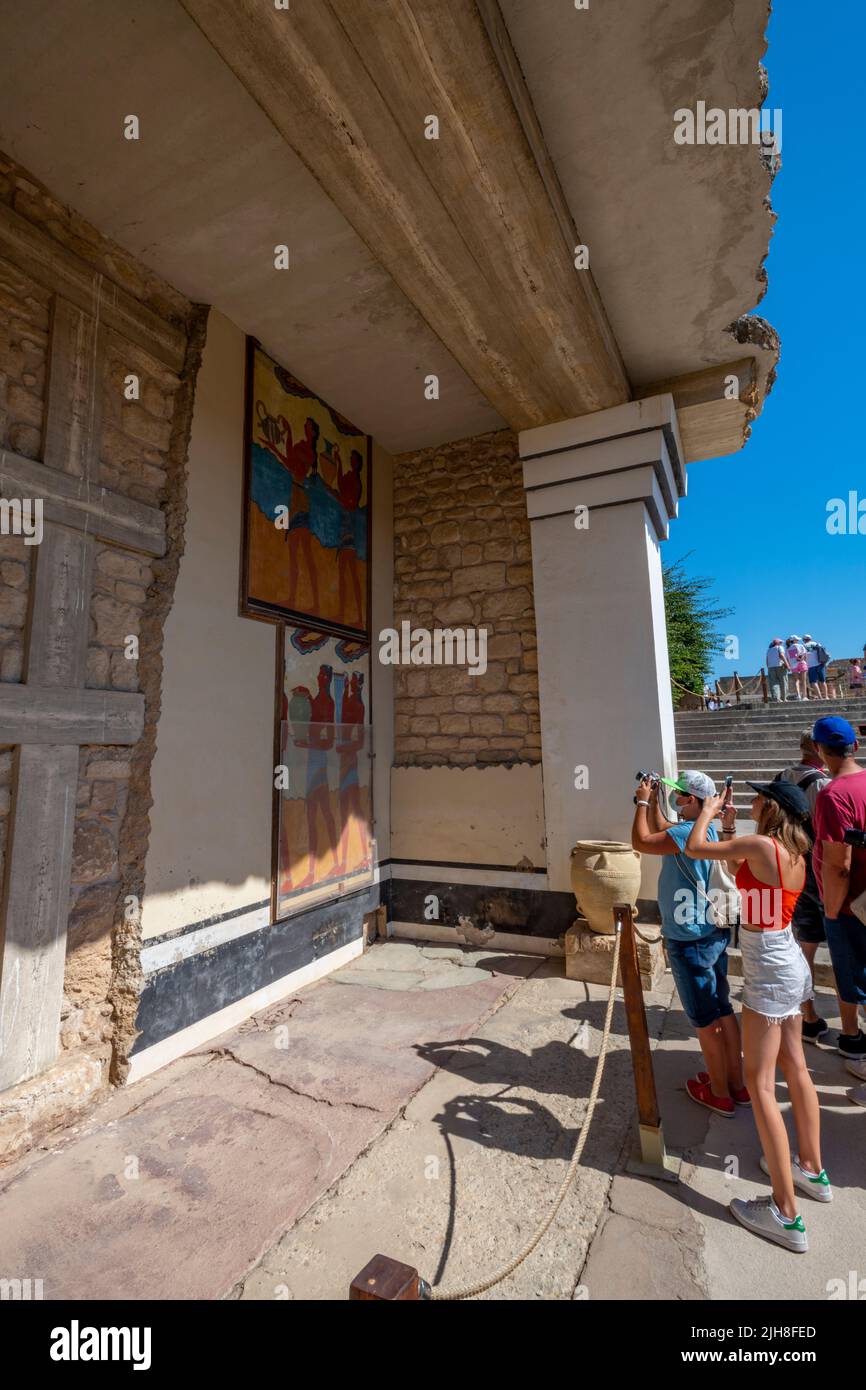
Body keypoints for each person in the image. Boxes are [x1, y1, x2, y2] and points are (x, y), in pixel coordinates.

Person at [685, 780, 829, 1254]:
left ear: (771, 808)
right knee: (797, 1068)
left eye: (757, 798)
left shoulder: (761, 844)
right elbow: (737, 869)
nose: (750, 802)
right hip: (786, 959)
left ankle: (785, 1213)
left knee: (761, 1083)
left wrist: (706, 810)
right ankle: (812, 1169)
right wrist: (729, 826)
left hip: (768, 969)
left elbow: (695, 846)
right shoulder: (790, 852)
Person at [631, 771, 746, 1116]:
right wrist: (654, 801)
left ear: (693, 801)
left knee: (704, 1019)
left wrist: (640, 800)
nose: (676, 800)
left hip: (689, 937)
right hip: (711, 931)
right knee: (723, 1009)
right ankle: (737, 1084)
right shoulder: (705, 828)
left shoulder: (685, 833)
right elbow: (662, 825)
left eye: (680, 796)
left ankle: (719, 1092)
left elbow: (642, 841)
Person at [811, 716, 866, 1072]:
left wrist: (832, 909)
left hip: (850, 905)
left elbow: (838, 864)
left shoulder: (833, 795)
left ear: (819, 751)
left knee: (851, 974)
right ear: (855, 746)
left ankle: (855, 1044)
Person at [776, 733, 833, 1041]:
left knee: (804, 946)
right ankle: (850, 1023)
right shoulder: (823, 785)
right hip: (821, 873)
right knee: (842, 948)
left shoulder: (784, 777)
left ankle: (808, 1014)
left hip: (792, 868)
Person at [803, 634, 830, 701]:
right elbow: (825, 653)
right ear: (810, 639)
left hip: (810, 666)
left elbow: (803, 656)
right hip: (820, 664)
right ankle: (826, 696)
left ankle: (820, 697)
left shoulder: (803, 646)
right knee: (823, 681)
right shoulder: (817, 644)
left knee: (813, 682)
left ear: (804, 640)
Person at [765, 638, 790, 702]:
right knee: (784, 682)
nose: (782, 644)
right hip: (780, 666)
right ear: (778, 643)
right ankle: (784, 698)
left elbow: (767, 660)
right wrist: (787, 665)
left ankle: (776, 698)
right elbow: (782, 655)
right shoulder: (780, 647)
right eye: (781, 642)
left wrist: (768, 667)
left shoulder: (769, 650)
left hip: (771, 667)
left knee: (773, 683)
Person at [786, 636, 808, 701]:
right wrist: (806, 663)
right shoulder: (800, 646)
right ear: (795, 640)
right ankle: (804, 696)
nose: (798, 641)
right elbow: (805, 655)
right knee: (803, 680)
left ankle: (798, 695)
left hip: (793, 665)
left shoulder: (787, 649)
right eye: (797, 640)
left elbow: (788, 659)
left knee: (797, 680)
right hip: (801, 663)